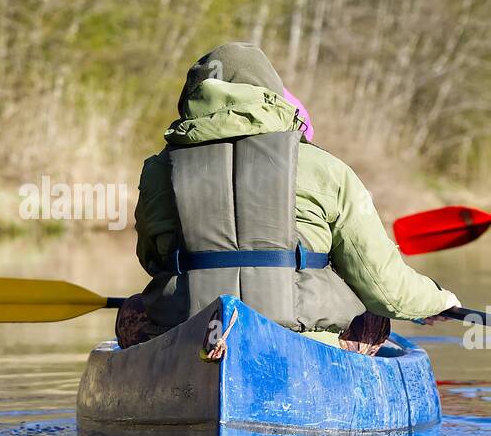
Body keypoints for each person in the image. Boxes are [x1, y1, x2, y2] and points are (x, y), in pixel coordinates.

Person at [119, 42, 458, 353]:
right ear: (271, 94)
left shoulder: (157, 170)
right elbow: (387, 291)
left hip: (194, 338)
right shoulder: (327, 168)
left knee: (132, 312)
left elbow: (152, 259)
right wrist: (437, 300)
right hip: (302, 346)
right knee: (373, 316)